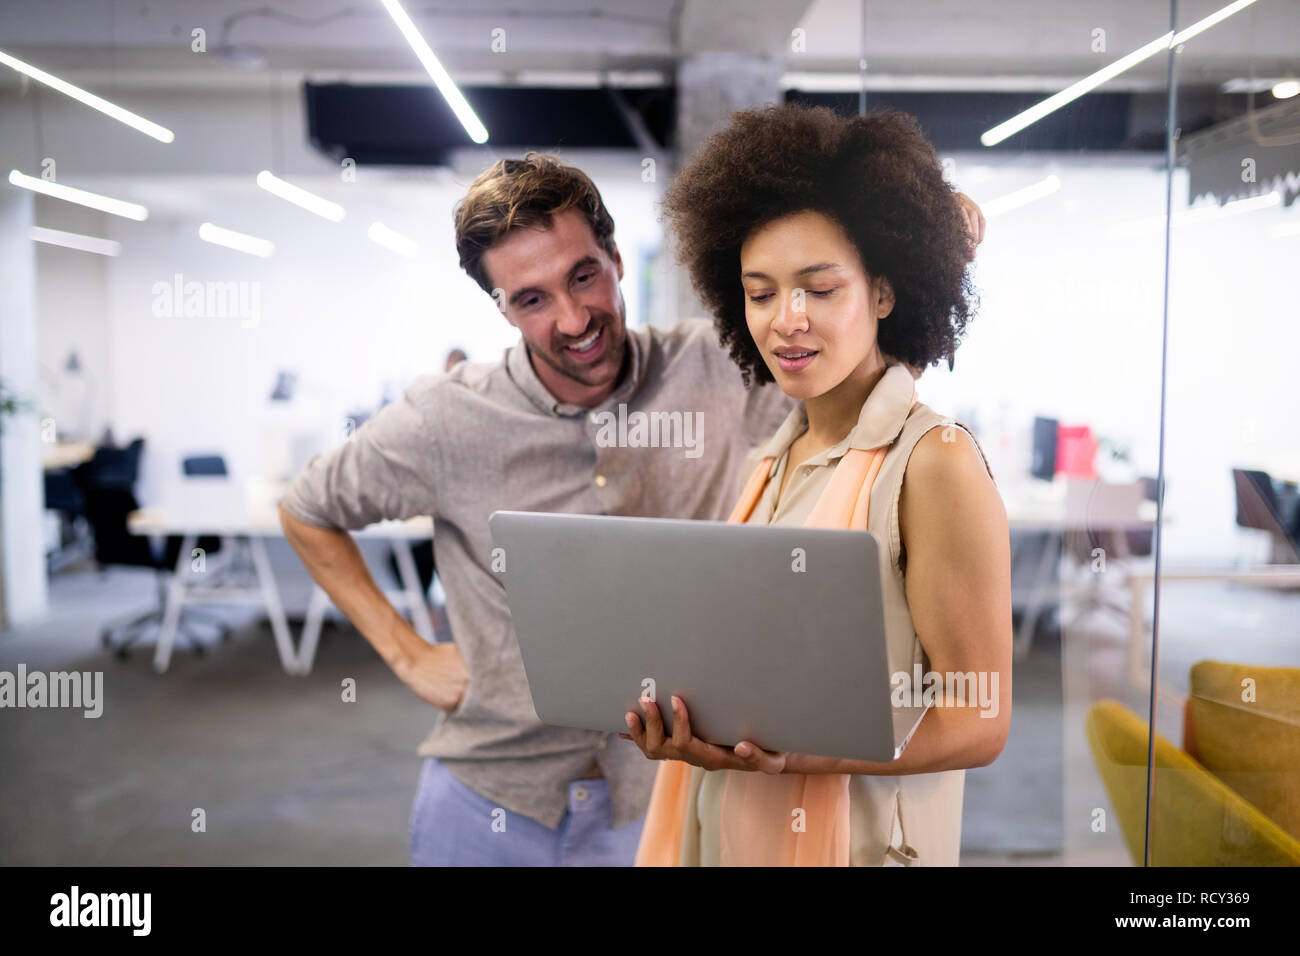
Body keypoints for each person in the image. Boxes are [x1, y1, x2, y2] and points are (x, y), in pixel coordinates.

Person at [279, 150, 986, 866]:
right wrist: (409, 654)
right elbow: (306, 508)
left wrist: (925, 241)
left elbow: (857, 362)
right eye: (531, 298)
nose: (573, 316)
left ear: (617, 258)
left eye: (583, 275)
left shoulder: (721, 368)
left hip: (655, 800)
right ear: (500, 308)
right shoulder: (445, 417)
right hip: (490, 797)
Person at [624, 105, 1012, 867]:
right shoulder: (775, 458)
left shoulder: (933, 461)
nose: (785, 321)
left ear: (884, 294)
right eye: (760, 292)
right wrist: (692, 722)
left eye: (820, 288)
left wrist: (806, 752)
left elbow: (980, 719)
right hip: (734, 826)